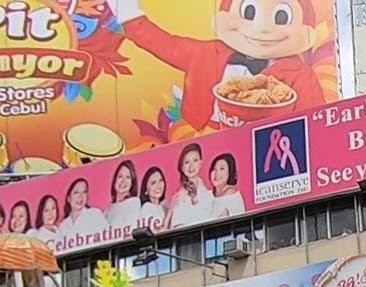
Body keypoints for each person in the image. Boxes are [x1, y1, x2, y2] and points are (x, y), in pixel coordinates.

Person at [105, 0, 330, 130]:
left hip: (269, 149)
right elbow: (159, 42)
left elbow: (315, 124)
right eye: (248, 12)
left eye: (282, 17)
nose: (262, 29)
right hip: (202, 143)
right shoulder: (207, 54)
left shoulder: (301, 75)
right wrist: (127, 11)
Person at [168, 144, 215, 228]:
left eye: (195, 160)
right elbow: (176, 224)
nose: (191, 166)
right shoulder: (179, 195)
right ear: (182, 167)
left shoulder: (207, 193)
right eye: (187, 162)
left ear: (201, 162)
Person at [106, 160, 142, 228]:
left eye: (128, 177)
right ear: (115, 180)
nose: (123, 181)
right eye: (120, 176)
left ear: (132, 183)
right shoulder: (108, 211)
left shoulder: (133, 202)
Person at [209, 153, 246, 218]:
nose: (217, 173)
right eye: (214, 169)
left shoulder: (232, 196)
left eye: (222, 169)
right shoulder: (208, 195)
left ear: (230, 172)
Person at [138, 166, 168, 230]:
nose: (158, 186)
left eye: (161, 180)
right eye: (153, 183)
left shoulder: (164, 207)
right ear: (146, 190)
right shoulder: (147, 208)